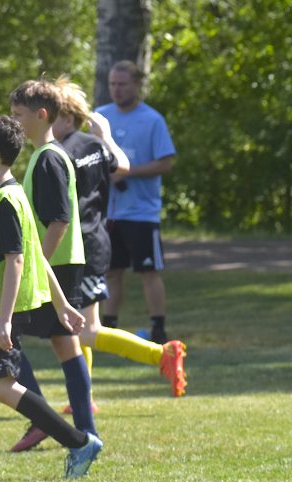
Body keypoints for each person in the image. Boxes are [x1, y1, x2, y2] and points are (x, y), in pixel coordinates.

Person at [0, 115, 102, 482]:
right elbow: (37, 255)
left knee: (0, 386)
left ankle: (79, 442)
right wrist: (61, 303)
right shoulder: (1, 195)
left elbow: (18, 261)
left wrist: (5, 321)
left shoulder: (8, 201)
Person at [52, 76, 187, 401]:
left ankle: (162, 354)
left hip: (81, 247)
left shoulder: (61, 152)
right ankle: (82, 399)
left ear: (67, 118)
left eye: (48, 115)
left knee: (86, 331)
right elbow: (122, 165)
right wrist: (107, 137)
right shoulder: (91, 145)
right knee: (79, 329)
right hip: (93, 242)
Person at [7, 78, 99, 453]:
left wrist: (38, 265)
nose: (14, 122)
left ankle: (43, 419)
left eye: (18, 115)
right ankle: (86, 432)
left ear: (41, 115)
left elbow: (59, 220)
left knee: (3, 335)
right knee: (66, 345)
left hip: (53, 265)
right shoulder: (46, 155)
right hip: (63, 263)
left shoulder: (48, 158)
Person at [96, 60, 176, 344]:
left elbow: (166, 162)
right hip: (109, 213)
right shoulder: (100, 117)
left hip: (142, 212)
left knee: (148, 271)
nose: (116, 90)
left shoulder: (152, 120)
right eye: (112, 84)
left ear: (137, 84)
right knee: (111, 272)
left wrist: (127, 171)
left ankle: (158, 328)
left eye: (122, 84)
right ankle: (108, 328)